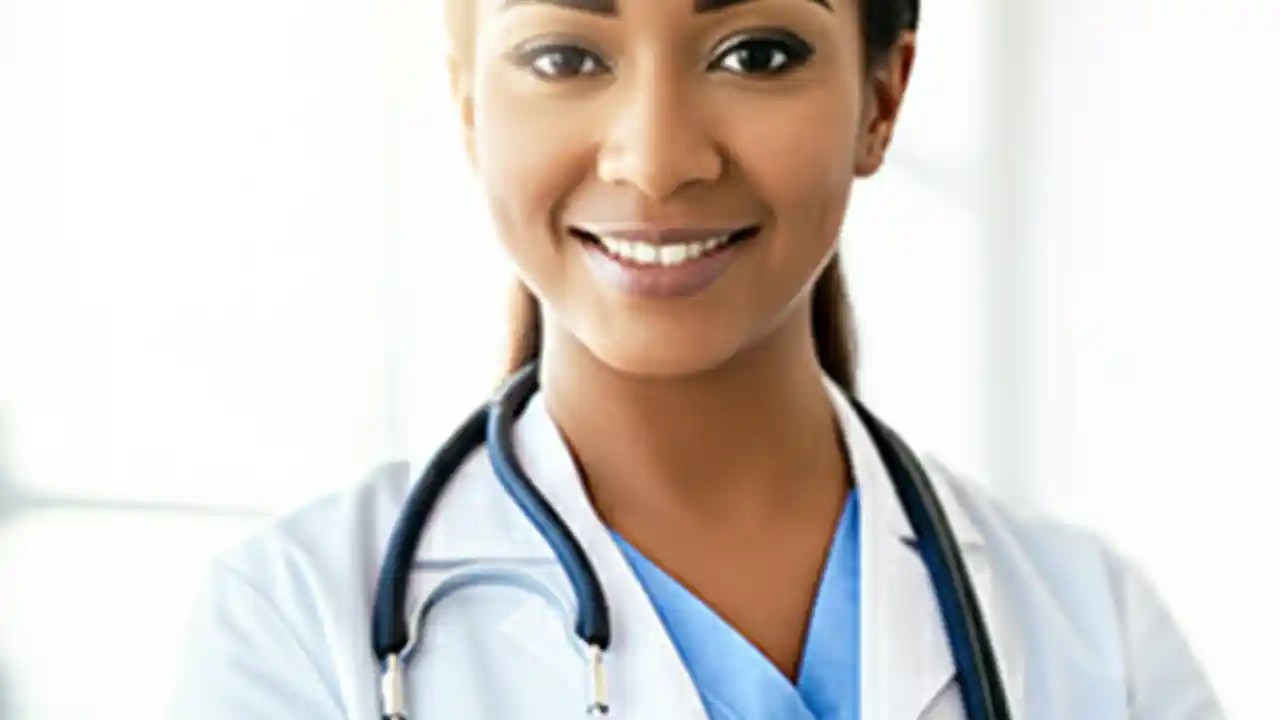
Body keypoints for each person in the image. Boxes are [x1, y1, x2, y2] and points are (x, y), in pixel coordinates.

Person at [170, 0, 1224, 717]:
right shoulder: (298, 621)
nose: (659, 157)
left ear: (880, 98)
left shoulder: (1093, 631)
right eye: (565, 56)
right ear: (467, 105)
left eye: (756, 53)